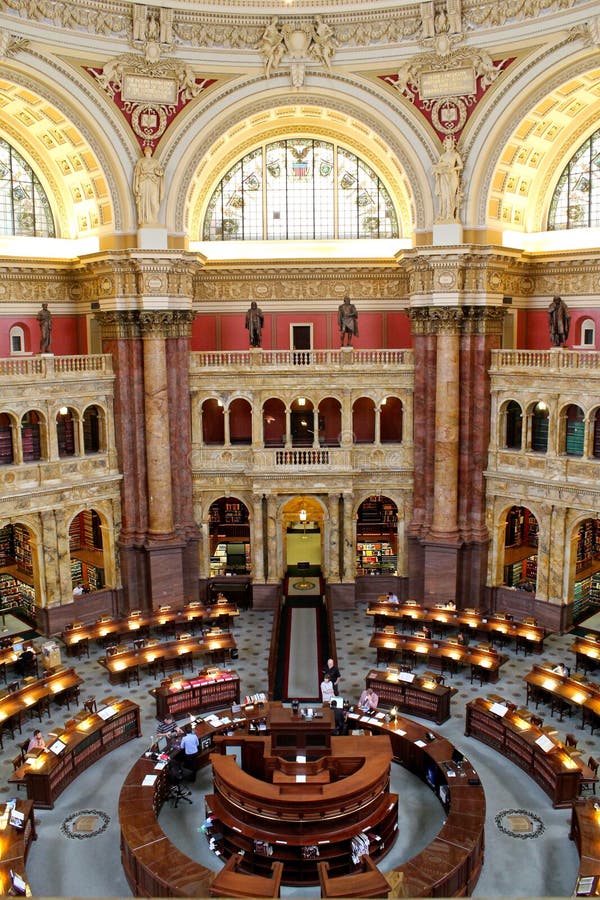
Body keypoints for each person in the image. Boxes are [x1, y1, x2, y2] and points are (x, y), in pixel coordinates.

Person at [433, 134, 463, 222]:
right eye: (447, 143)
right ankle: (443, 214)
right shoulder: (442, 156)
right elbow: (438, 166)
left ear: (453, 144)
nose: (449, 145)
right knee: (444, 196)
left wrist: (453, 168)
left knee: (451, 195)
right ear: (445, 144)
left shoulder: (455, 154)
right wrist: (437, 171)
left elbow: (461, 166)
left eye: (450, 143)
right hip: (443, 177)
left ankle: (450, 214)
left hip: (452, 176)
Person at [133, 145, 164, 226]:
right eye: (146, 151)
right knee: (143, 201)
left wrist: (158, 172)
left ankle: (154, 219)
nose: (147, 152)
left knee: (154, 201)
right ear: (144, 152)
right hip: (143, 182)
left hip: (153, 182)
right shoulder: (141, 161)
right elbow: (137, 174)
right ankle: (144, 219)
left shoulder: (155, 162)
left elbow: (160, 172)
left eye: (149, 151)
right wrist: (136, 185)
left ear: (151, 152)